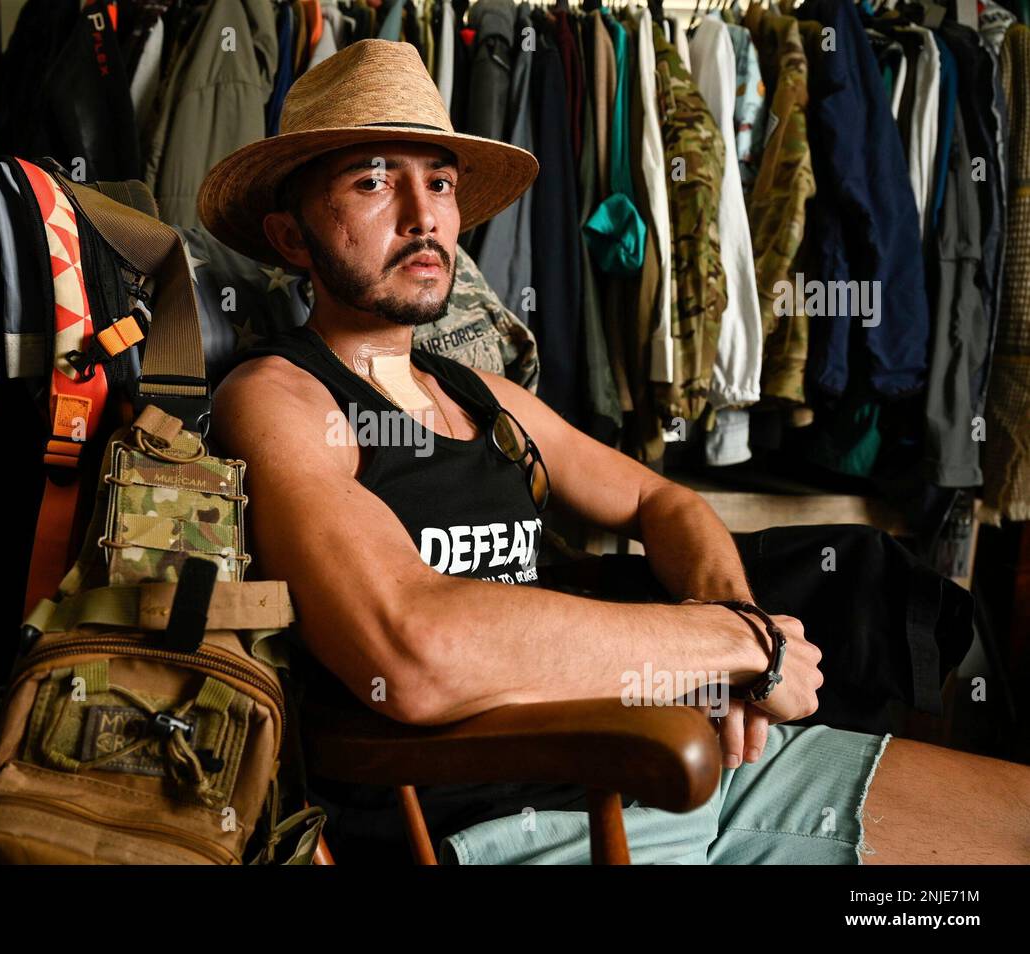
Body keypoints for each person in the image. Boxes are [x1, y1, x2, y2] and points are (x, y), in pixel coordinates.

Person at [197, 39, 1030, 864]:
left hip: (668, 760)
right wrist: (735, 647)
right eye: (374, 181)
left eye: (440, 183)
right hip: (509, 822)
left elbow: (660, 502)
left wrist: (733, 630)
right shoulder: (282, 399)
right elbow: (413, 651)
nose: (423, 215)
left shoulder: (482, 394)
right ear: (293, 236)